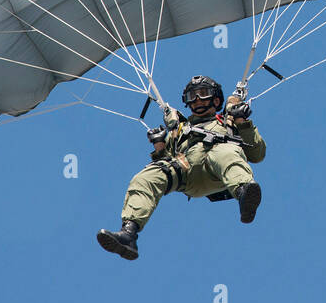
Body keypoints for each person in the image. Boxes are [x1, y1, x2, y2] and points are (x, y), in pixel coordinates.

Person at [97, 76, 265, 261]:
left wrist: (242, 121)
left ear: (216, 100)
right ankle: (128, 233)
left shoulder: (227, 122)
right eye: (192, 97)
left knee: (224, 152)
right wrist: (160, 146)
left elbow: (257, 154)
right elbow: (165, 163)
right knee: (146, 177)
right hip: (186, 172)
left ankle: (244, 194)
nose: (197, 100)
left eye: (203, 94)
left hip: (215, 167)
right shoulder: (180, 130)